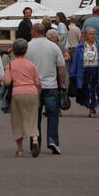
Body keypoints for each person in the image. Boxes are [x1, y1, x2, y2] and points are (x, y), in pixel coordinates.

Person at [27, 24, 67, 155]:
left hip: (33, 86)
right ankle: (53, 140)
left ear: (33, 32)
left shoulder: (28, 46)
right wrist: (62, 84)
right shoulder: (53, 47)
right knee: (53, 114)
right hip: (50, 86)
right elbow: (61, 67)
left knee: (34, 116)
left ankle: (35, 140)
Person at [3, 38, 42, 157]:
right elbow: (38, 82)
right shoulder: (31, 65)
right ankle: (34, 139)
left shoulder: (10, 65)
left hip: (17, 93)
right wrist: (38, 95)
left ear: (14, 51)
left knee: (17, 120)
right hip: (32, 92)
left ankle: (20, 150)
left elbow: (7, 82)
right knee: (32, 118)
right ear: (26, 50)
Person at [70, 26, 99, 119]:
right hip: (84, 71)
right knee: (86, 90)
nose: (92, 36)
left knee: (94, 90)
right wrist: (72, 74)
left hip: (97, 71)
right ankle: (90, 106)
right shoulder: (80, 47)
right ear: (86, 35)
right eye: (90, 34)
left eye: (94, 34)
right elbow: (75, 61)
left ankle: (92, 108)